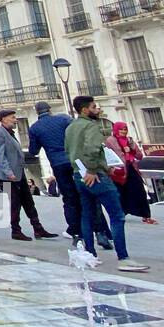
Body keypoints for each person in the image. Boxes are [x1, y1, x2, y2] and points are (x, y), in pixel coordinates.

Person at [65, 96, 149, 272]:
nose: (98, 110)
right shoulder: (91, 126)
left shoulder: (71, 127)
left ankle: (90, 253)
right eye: (94, 107)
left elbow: (69, 150)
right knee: (117, 215)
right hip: (95, 176)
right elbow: (93, 149)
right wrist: (95, 170)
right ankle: (123, 257)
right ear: (85, 110)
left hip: (78, 174)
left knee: (87, 215)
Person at [28, 101, 113, 249]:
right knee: (90, 194)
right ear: (50, 110)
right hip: (76, 161)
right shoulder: (63, 119)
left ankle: (77, 235)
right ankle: (100, 232)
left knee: (69, 199)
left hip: (58, 164)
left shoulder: (35, 128)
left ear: (37, 112)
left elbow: (33, 150)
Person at [0, 109, 57, 242]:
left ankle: (38, 228)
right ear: (4, 119)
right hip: (8, 176)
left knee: (28, 201)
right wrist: (8, 172)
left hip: (18, 173)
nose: (15, 120)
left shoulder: (10, 133)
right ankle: (16, 230)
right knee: (15, 203)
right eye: (12, 118)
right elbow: (0, 154)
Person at [105, 121, 155, 224]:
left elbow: (139, 156)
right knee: (120, 194)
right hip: (118, 171)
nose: (123, 131)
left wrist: (131, 150)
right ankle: (120, 214)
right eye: (121, 129)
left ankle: (146, 215)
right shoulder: (110, 141)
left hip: (131, 168)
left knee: (140, 191)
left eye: (125, 129)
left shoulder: (129, 140)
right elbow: (107, 155)